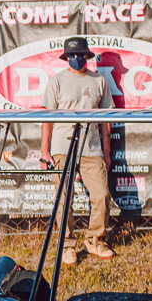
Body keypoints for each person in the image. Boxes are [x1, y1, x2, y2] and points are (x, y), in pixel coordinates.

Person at [38, 37, 116, 265]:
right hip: (62, 147)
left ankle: (95, 239)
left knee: (101, 194)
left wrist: (107, 151)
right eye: (72, 55)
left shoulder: (99, 81)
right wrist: (45, 150)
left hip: (91, 148)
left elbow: (106, 121)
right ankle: (67, 245)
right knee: (64, 198)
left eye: (81, 55)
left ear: (87, 57)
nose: (77, 59)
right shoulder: (56, 82)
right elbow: (47, 119)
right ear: (66, 57)